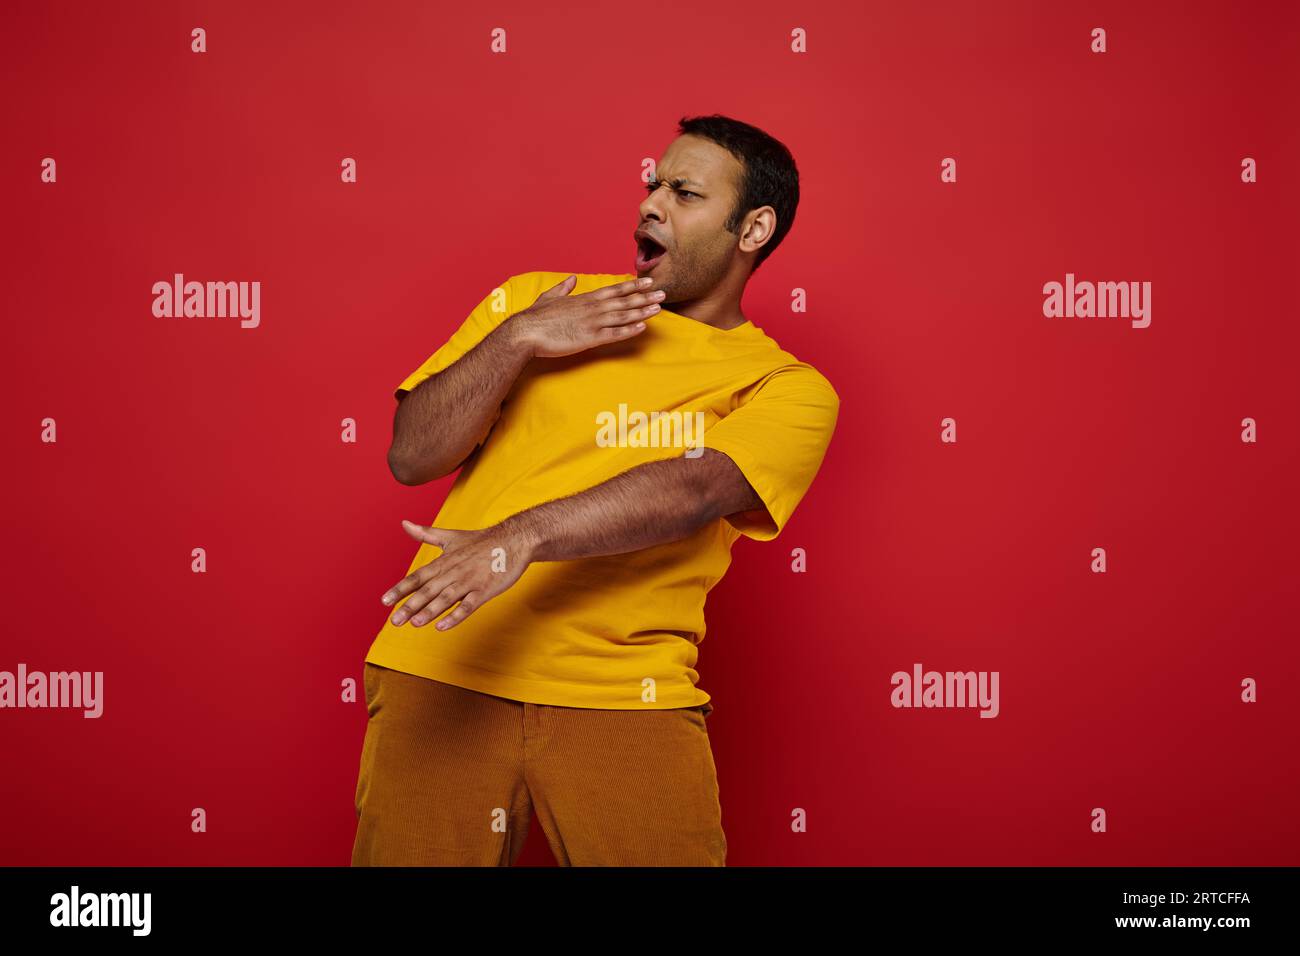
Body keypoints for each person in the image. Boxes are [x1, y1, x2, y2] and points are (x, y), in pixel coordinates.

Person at [351, 113, 839, 866]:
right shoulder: (541, 301)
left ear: (754, 229)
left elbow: (694, 489)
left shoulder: (786, 388)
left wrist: (520, 537)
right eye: (652, 184)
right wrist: (517, 339)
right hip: (442, 673)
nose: (652, 203)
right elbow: (411, 456)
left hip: (627, 696)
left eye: (684, 192)